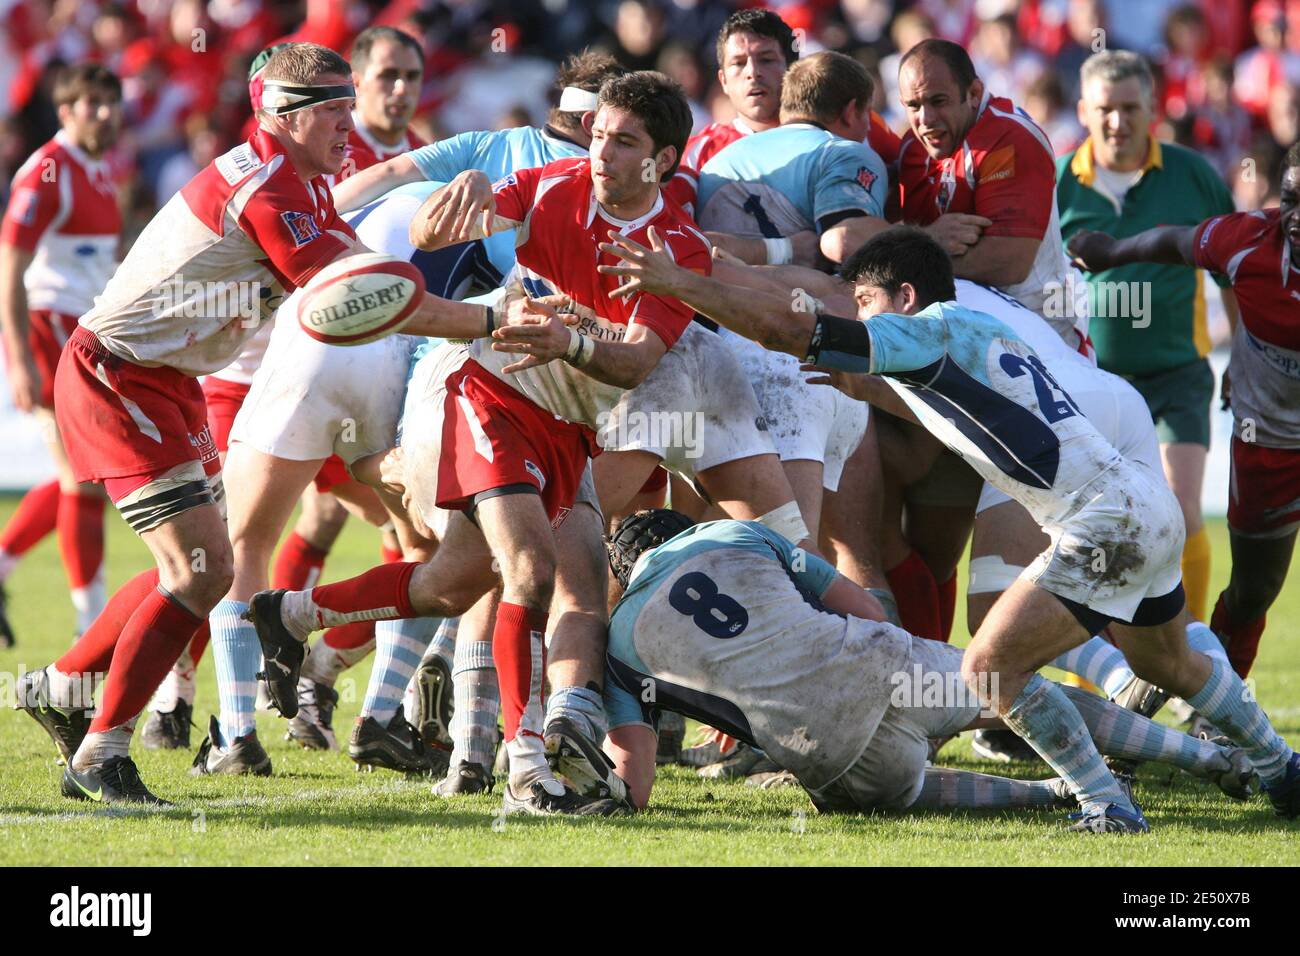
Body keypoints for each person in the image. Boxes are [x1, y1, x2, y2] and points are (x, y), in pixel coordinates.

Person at [595, 224, 1300, 829]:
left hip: (1102, 522)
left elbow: (789, 326)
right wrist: (855, 379)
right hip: (1143, 504)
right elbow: (956, 407)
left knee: (990, 667)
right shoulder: (973, 328)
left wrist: (679, 282)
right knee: (1166, 664)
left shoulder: (925, 331)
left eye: (865, 305)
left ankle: (1106, 804)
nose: (862, 319)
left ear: (903, 299)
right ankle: (1280, 765)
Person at [14, 43, 496, 804]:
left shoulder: (302, 179)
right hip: (119, 375)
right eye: (333, 110)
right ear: (283, 114)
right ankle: (101, 753)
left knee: (208, 564)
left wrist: (436, 256)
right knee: (204, 569)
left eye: (346, 105)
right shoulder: (270, 191)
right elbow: (362, 295)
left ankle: (64, 685)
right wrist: (490, 318)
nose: (349, 123)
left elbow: (371, 273)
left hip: (168, 377)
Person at [244, 71, 711, 818]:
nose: (601, 154)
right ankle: (525, 765)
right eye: (598, 137)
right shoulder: (553, 183)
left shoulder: (678, 250)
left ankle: (293, 615)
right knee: (528, 572)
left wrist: (568, 341)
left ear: (665, 159)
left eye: (624, 143)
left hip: (570, 429)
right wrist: (446, 208)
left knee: (454, 586)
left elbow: (632, 362)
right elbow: (434, 235)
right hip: (489, 398)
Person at [597, 511, 1258, 819]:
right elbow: (867, 610)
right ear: (681, 531)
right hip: (880, 662)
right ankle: (1211, 759)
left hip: (831, 753)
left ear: (626, 578)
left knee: (906, 793)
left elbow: (638, 784)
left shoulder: (621, 640)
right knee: (1008, 687)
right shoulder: (732, 531)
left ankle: (1049, 797)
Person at [1067, 142, 1300, 685]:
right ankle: (1221, 711)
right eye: (1290, 198)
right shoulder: (1249, 240)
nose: (1296, 218)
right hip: (1268, 442)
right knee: (1253, 591)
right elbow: (1173, 241)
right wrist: (1109, 250)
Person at [1057, 50, 1237, 627]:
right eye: (1106, 109)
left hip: (1178, 376)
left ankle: (1195, 658)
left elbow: (1234, 268)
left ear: (1153, 110)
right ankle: (1095, 669)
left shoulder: (1194, 176)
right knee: (1091, 523)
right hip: (1091, 382)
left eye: (1130, 108)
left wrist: (1246, 357)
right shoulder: (1056, 181)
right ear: (1084, 110)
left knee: (1182, 511)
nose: (1118, 122)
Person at [0, 64, 120, 647]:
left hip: (87, 339)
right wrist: (18, 359)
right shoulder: (48, 172)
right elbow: (11, 266)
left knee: (84, 477)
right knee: (83, 481)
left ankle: (3, 568)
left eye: (109, 102)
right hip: (50, 334)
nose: (102, 113)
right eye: (89, 103)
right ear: (65, 110)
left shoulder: (98, 170)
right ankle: (88, 623)